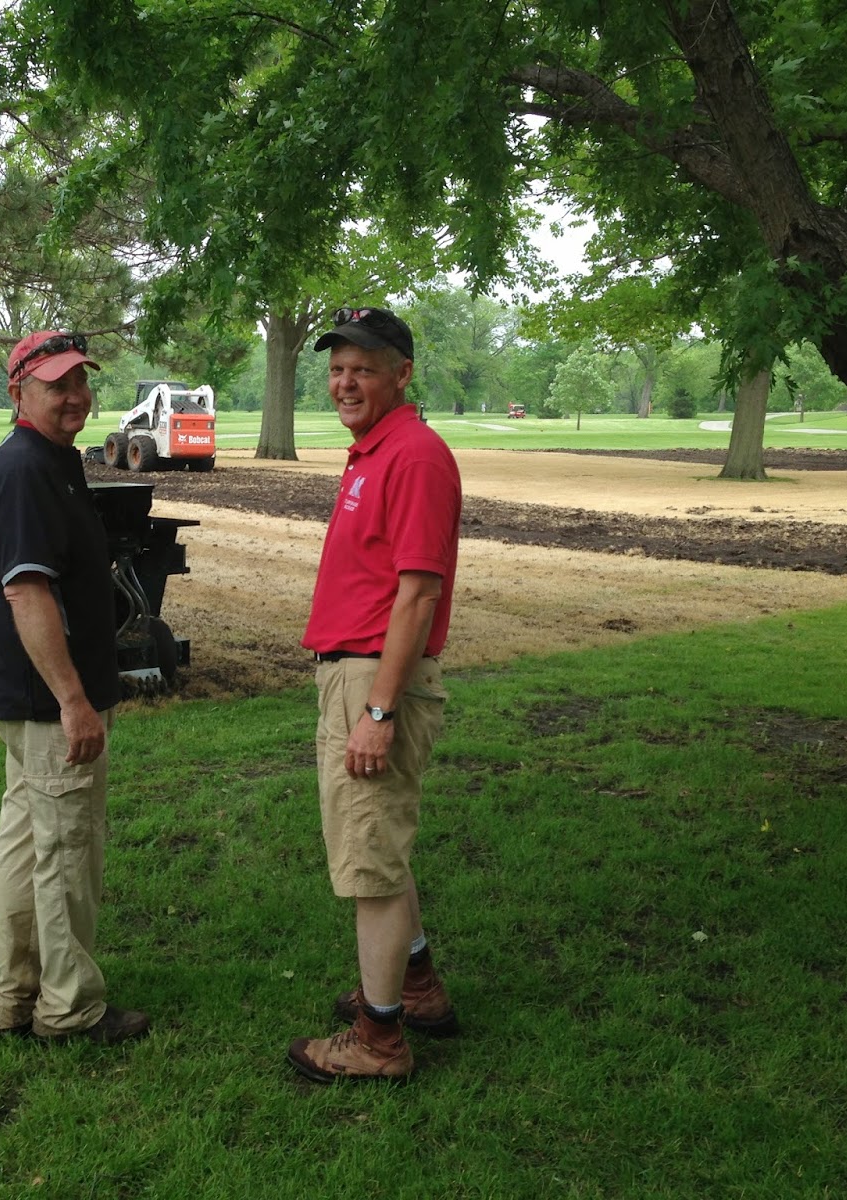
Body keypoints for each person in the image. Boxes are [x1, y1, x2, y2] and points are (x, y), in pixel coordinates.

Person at [288, 305, 463, 1084]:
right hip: (353, 670)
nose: (345, 382)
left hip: (374, 677)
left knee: (372, 868)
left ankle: (380, 1040)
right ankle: (415, 989)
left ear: (402, 372)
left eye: (363, 367)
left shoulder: (415, 456)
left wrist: (379, 711)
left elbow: (418, 595)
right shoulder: (373, 451)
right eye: (336, 368)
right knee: (381, 850)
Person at [0, 330, 150, 1045]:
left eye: (81, 381)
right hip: (49, 702)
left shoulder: (49, 460)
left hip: (31, 698)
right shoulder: (24, 472)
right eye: (55, 385)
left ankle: (18, 994)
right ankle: (68, 1008)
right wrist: (75, 702)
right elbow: (29, 597)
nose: (74, 396)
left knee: (24, 842)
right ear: (17, 393)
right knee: (66, 850)